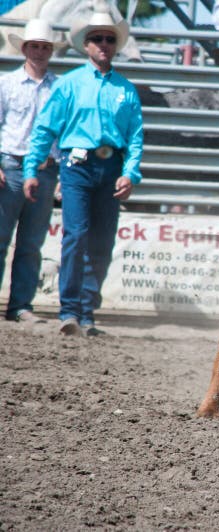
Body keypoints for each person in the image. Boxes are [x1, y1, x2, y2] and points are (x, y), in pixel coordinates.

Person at [23, 8, 143, 337]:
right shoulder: (70, 85)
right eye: (97, 39)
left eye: (109, 39)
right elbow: (45, 130)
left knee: (102, 240)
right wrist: (31, 169)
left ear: (115, 45)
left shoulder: (126, 89)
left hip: (111, 167)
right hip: (76, 166)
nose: (103, 44)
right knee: (75, 236)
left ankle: (87, 311)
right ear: (86, 45)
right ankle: (70, 310)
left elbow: (135, 137)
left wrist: (130, 173)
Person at [0, 19, 65, 324]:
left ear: (51, 51)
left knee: (31, 244)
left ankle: (20, 305)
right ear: (25, 48)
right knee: (1, 239)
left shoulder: (61, 88)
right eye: (35, 46)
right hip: (10, 164)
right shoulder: (6, 83)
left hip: (46, 169)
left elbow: (65, 133)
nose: (39, 51)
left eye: (44, 47)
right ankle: (18, 306)